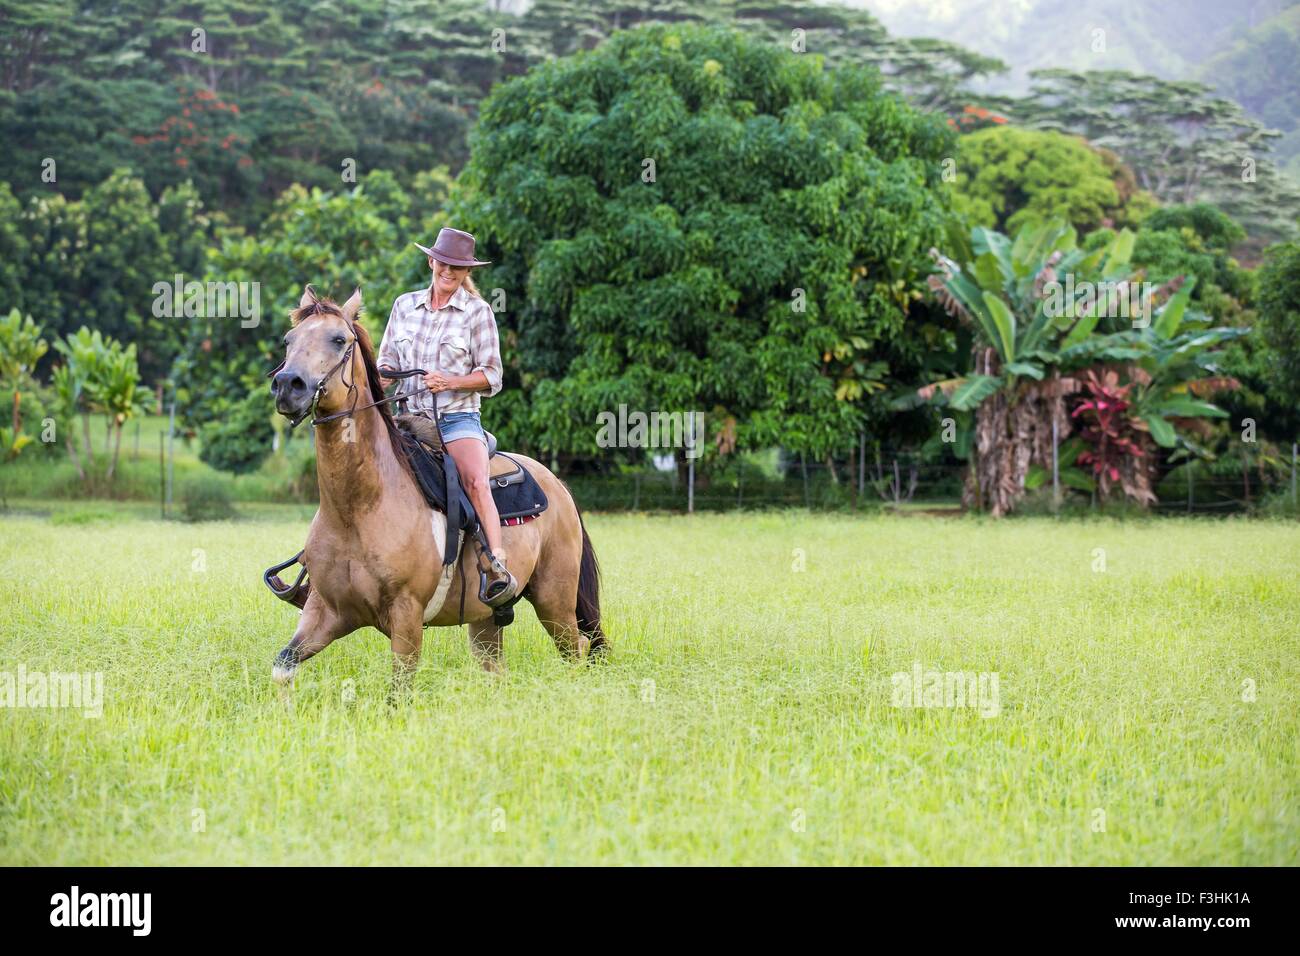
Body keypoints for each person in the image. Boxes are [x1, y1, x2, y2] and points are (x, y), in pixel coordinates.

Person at [377, 227, 517, 607]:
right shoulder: (404, 305)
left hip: (457, 419)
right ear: (431, 261)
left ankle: (496, 564)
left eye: (458, 267)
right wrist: (380, 379)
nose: (449, 272)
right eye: (444, 263)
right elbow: (386, 362)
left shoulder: (478, 313)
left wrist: (450, 381)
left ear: (466, 272)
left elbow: (492, 375)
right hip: (406, 417)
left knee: (475, 480)